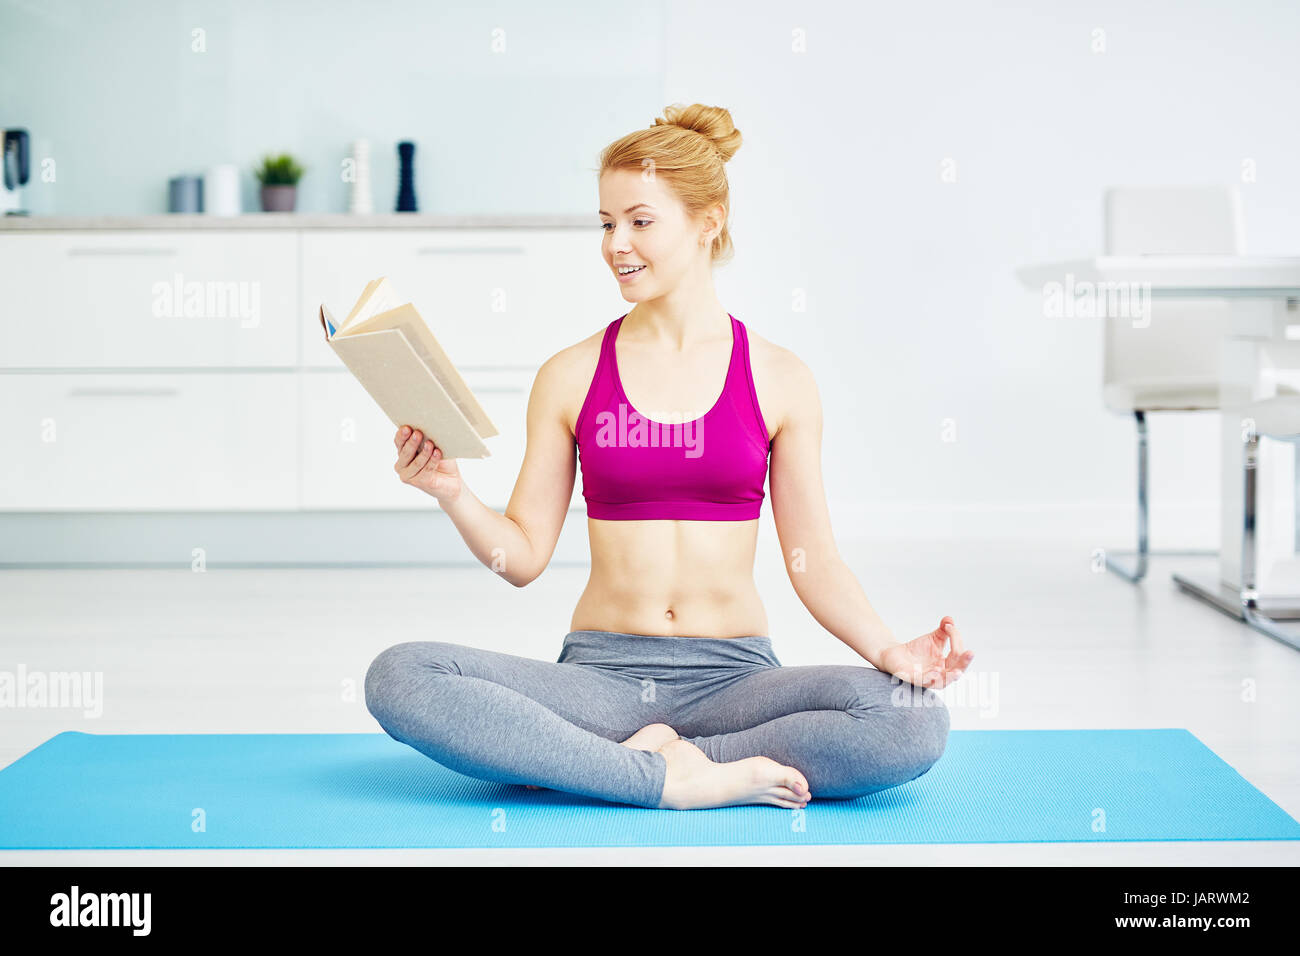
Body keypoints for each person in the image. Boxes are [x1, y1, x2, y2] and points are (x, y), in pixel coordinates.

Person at [364, 103, 974, 811]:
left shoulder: (779, 377)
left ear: (708, 221)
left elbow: (816, 563)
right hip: (600, 679)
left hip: (737, 680)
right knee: (402, 674)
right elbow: (523, 557)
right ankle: (667, 781)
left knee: (913, 719)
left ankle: (633, 766)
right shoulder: (570, 374)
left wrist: (891, 653)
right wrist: (453, 492)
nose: (614, 243)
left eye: (639, 220)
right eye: (605, 222)